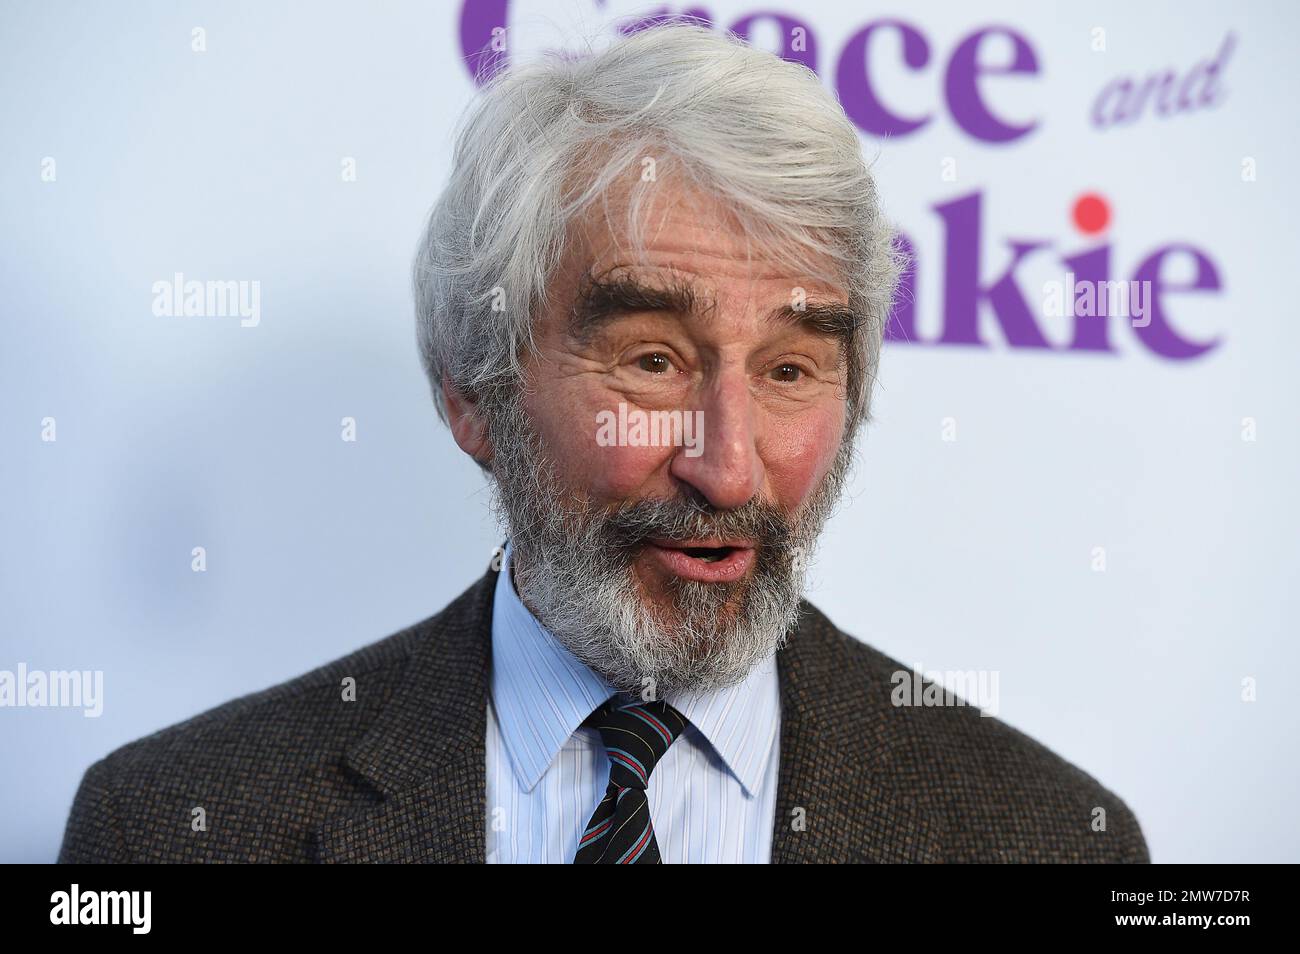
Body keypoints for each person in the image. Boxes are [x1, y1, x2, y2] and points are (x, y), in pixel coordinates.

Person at [58, 23, 1148, 864]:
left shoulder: (1048, 837)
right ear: (471, 392)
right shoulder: (174, 824)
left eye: (788, 370)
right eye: (651, 361)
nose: (725, 468)